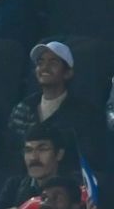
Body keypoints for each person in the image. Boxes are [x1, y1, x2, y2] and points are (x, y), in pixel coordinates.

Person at [9, 41, 103, 169]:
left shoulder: (85, 114)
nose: (44, 67)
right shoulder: (22, 109)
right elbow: (10, 154)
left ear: (68, 73)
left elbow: (89, 160)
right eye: (40, 62)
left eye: (53, 62)